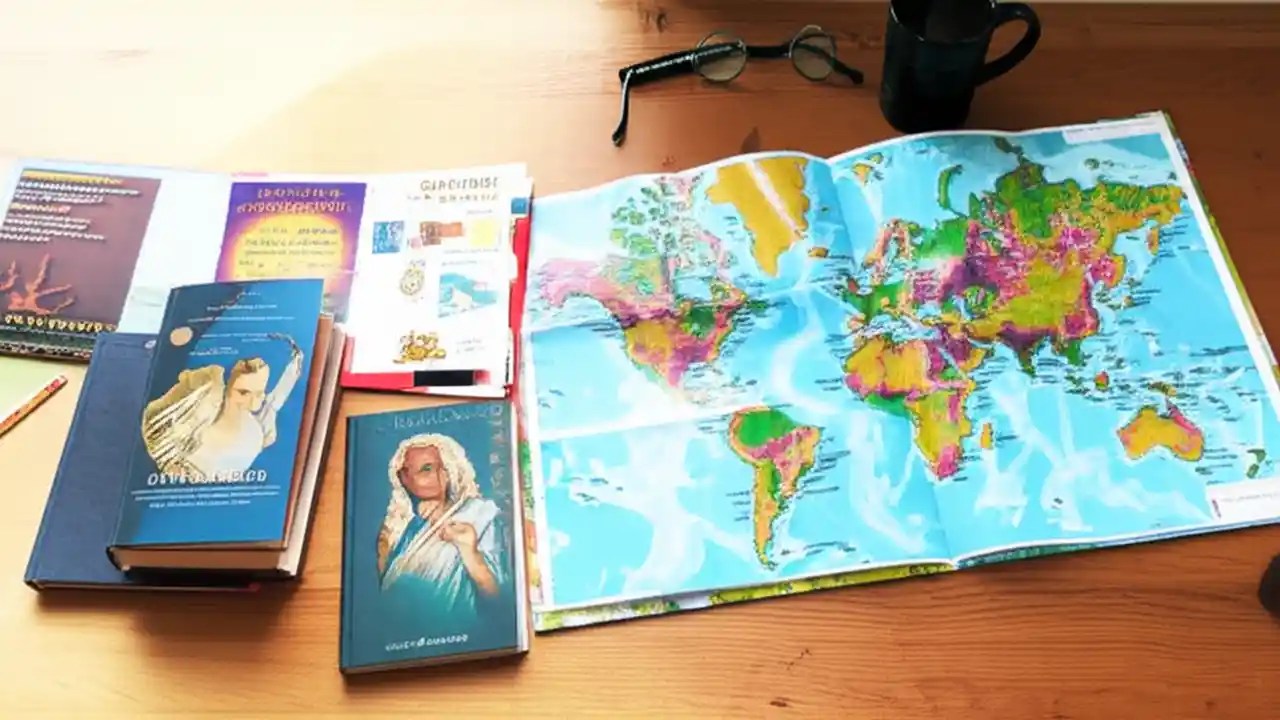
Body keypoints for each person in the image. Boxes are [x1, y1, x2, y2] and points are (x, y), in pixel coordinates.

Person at [377, 433, 506, 617]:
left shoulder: (479, 515)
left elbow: (499, 600)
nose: (439, 475)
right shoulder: (400, 530)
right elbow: (386, 595)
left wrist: (469, 551)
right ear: (403, 478)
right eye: (426, 469)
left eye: (442, 467)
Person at [142, 336, 303, 481]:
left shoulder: (256, 434)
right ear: (225, 386)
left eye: (259, 394)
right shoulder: (192, 418)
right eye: (243, 393)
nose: (252, 403)